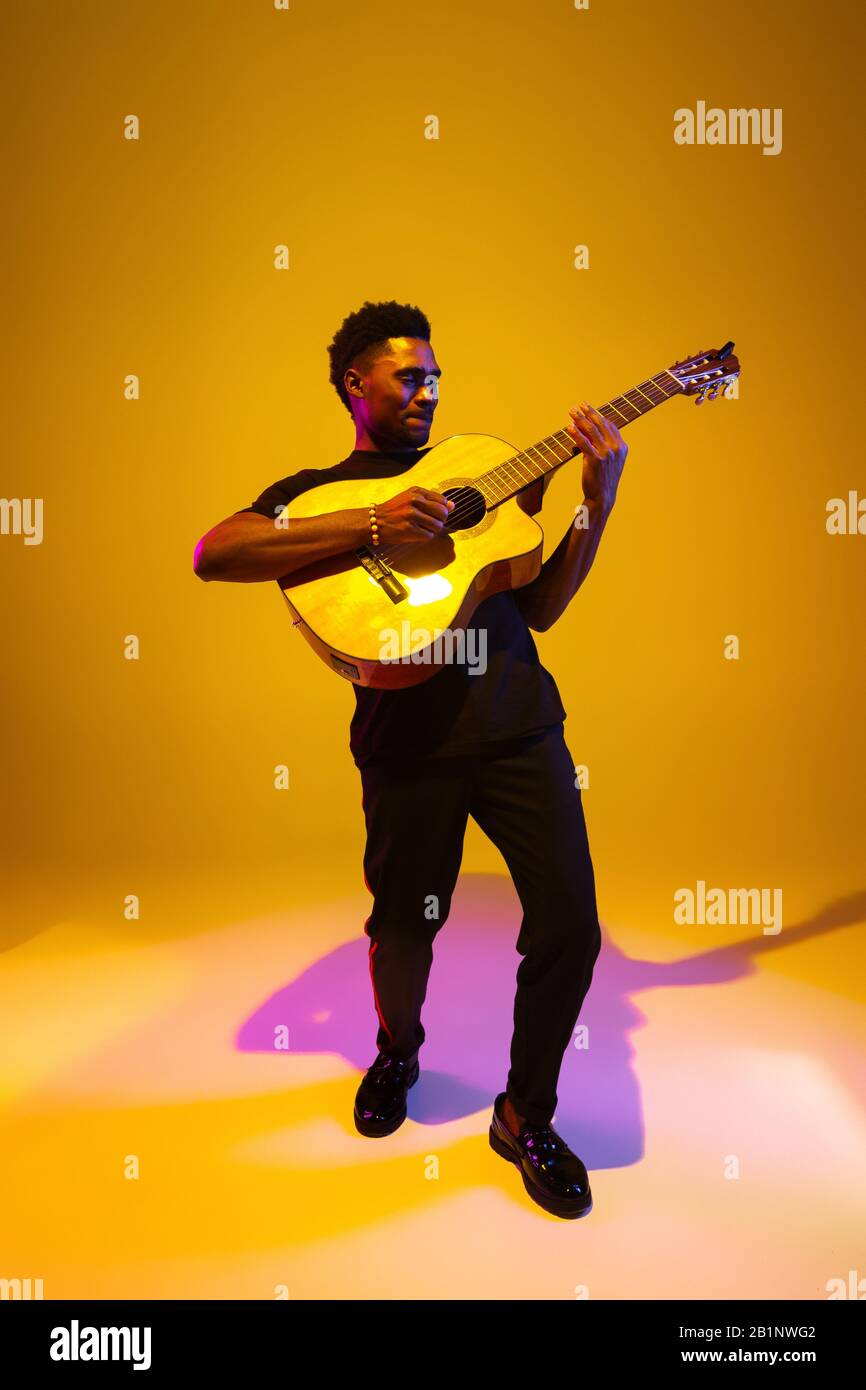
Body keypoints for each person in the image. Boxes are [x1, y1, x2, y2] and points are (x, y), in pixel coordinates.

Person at [193, 299, 628, 1219]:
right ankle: (398, 1052)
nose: (429, 389)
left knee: (571, 926)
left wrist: (596, 505)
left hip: (519, 729)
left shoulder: (484, 476)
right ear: (357, 384)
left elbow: (540, 606)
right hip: (408, 744)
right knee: (401, 928)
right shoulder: (319, 488)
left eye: (436, 375)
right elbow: (216, 551)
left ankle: (526, 1114)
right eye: (409, 376)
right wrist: (372, 527)